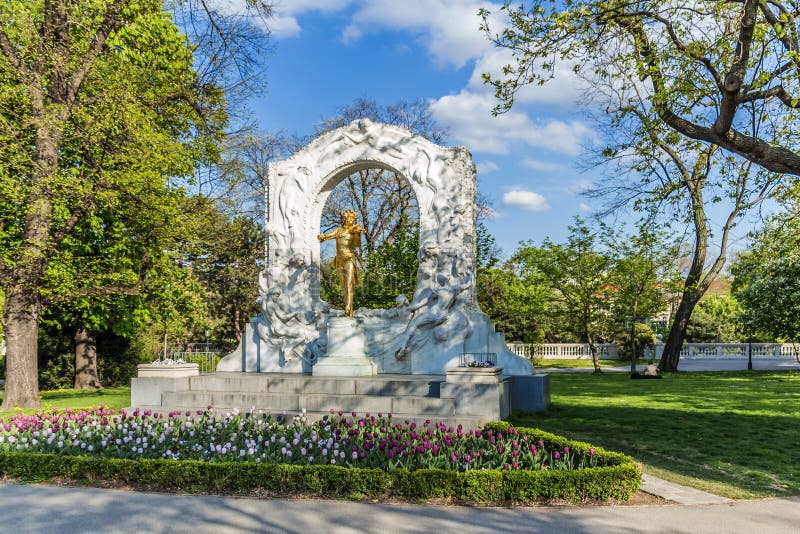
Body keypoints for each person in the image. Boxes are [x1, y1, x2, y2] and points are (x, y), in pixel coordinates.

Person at [318, 209, 365, 317]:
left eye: (350, 218)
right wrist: (323, 237)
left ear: (353, 219)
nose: (347, 219)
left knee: (349, 284)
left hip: (349, 259)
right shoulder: (339, 230)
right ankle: (349, 311)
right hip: (339, 260)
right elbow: (328, 236)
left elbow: (356, 245)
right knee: (344, 286)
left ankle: (348, 306)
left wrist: (358, 234)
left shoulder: (354, 231)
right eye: (346, 218)